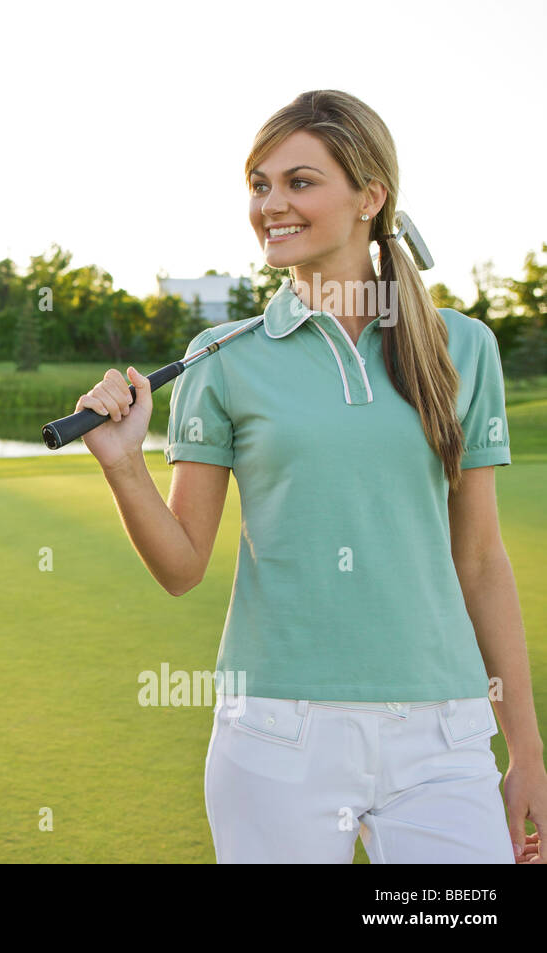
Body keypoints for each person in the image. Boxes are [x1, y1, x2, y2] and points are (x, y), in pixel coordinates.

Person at [74, 90, 545, 863]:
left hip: (446, 729)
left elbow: (482, 559)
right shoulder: (221, 357)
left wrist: (526, 750)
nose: (271, 205)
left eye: (300, 182)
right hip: (277, 729)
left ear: (370, 196)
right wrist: (123, 463)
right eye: (259, 185)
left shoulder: (464, 348)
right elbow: (182, 565)